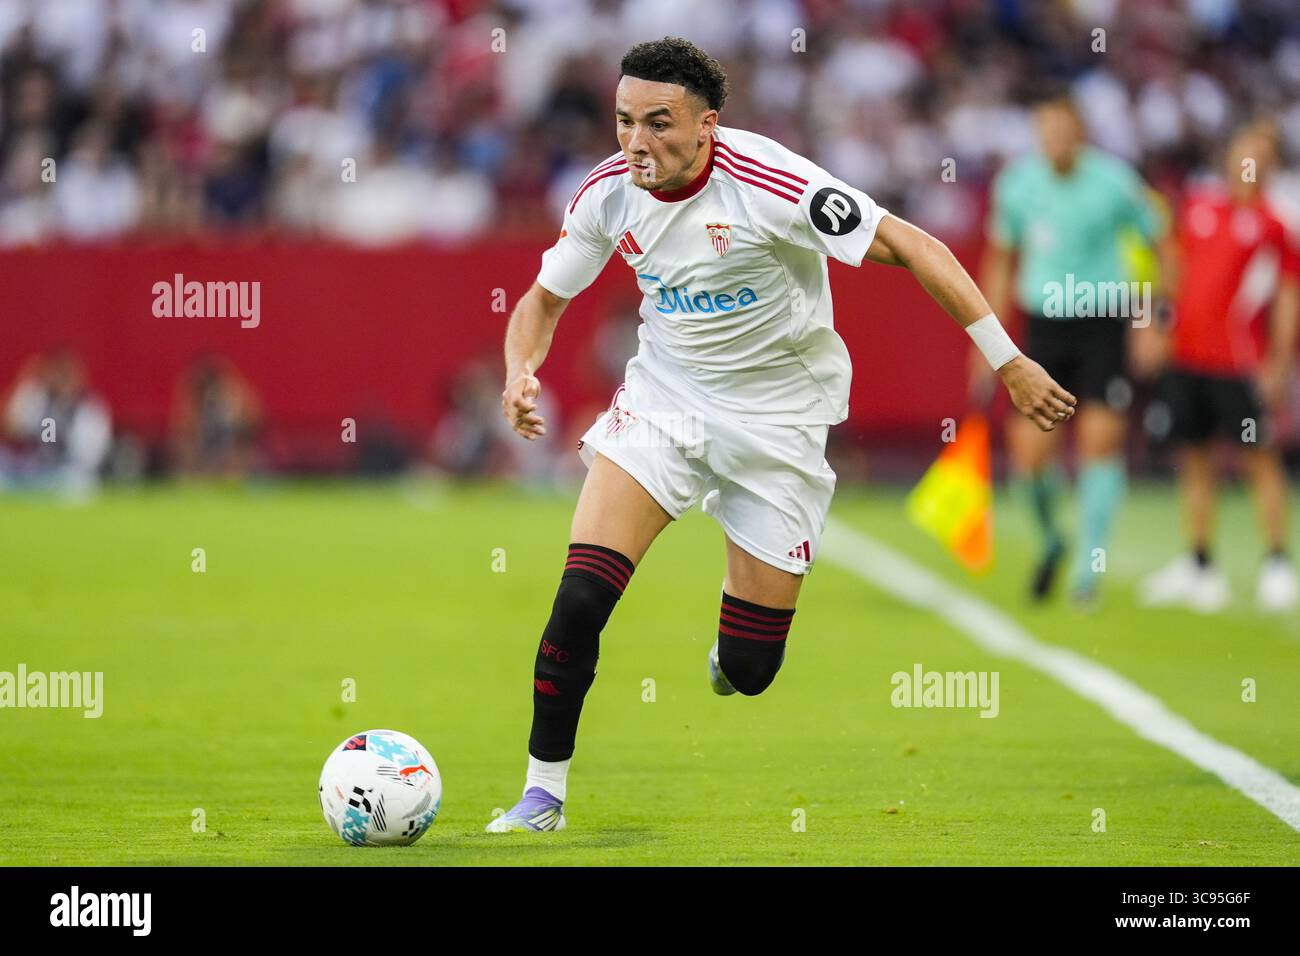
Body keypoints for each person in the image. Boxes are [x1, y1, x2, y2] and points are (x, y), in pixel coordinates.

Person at [490, 37, 1074, 833]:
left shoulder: (773, 183)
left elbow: (912, 243)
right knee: (581, 595)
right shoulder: (605, 195)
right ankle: (541, 794)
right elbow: (541, 300)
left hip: (779, 429)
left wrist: (1007, 362)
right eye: (625, 121)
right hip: (664, 407)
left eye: (659, 123)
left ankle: (732, 657)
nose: (636, 142)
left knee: (752, 670)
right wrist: (521, 371)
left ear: (707, 126)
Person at [970, 94, 1165, 607]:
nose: (1053, 140)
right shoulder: (1018, 184)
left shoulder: (1115, 181)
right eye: (1045, 130)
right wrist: (986, 341)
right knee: (1031, 454)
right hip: (1044, 325)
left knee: (1101, 442)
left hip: (1103, 320)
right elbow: (1002, 259)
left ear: (1079, 132)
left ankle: (1087, 571)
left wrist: (1154, 319)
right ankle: (1053, 540)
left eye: (1062, 130)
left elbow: (1160, 243)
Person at [1139, 121, 1299, 613]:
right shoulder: (1199, 208)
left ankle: (1276, 563)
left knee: (1259, 457)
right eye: (1244, 150)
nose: (1250, 162)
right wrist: (1154, 325)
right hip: (1188, 359)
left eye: (1262, 153)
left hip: (1239, 365)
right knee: (1194, 456)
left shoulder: (1275, 224)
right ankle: (1200, 564)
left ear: (1271, 164)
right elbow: (1172, 271)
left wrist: (1277, 362)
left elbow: (1289, 298)